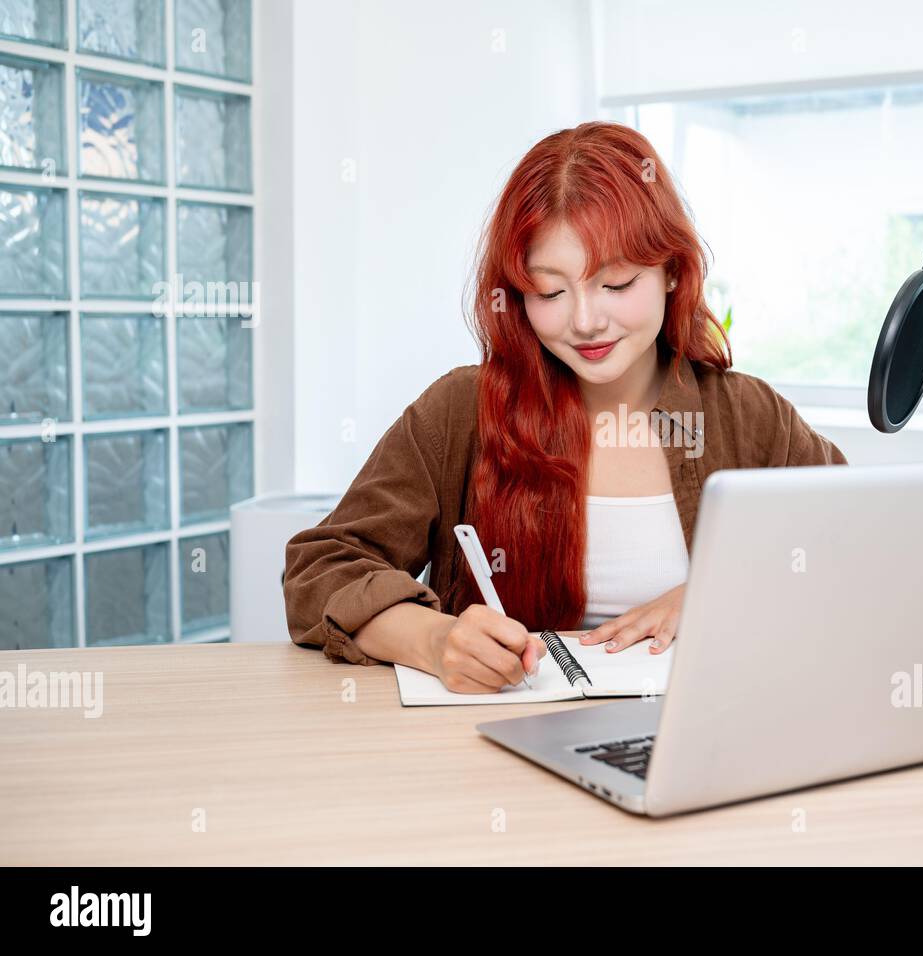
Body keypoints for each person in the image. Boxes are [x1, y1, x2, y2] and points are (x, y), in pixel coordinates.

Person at [283, 121, 846, 692]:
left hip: (705, 737)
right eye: (551, 292)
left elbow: (854, 543)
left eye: (617, 283)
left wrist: (721, 591)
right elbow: (321, 569)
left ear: (672, 271)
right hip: (498, 748)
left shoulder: (748, 416)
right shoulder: (460, 412)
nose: (584, 321)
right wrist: (432, 639)